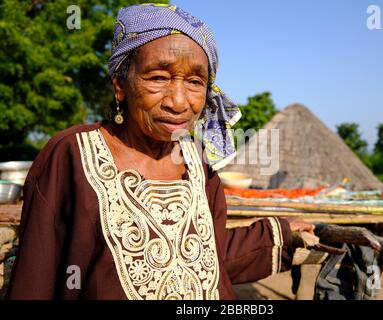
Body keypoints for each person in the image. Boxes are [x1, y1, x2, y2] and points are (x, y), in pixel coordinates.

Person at [6, 4, 313, 300]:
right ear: (120, 86)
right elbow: (36, 274)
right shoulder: (72, 154)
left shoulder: (197, 162)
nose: (178, 101)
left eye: (195, 81)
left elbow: (209, 256)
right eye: (158, 77)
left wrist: (281, 231)